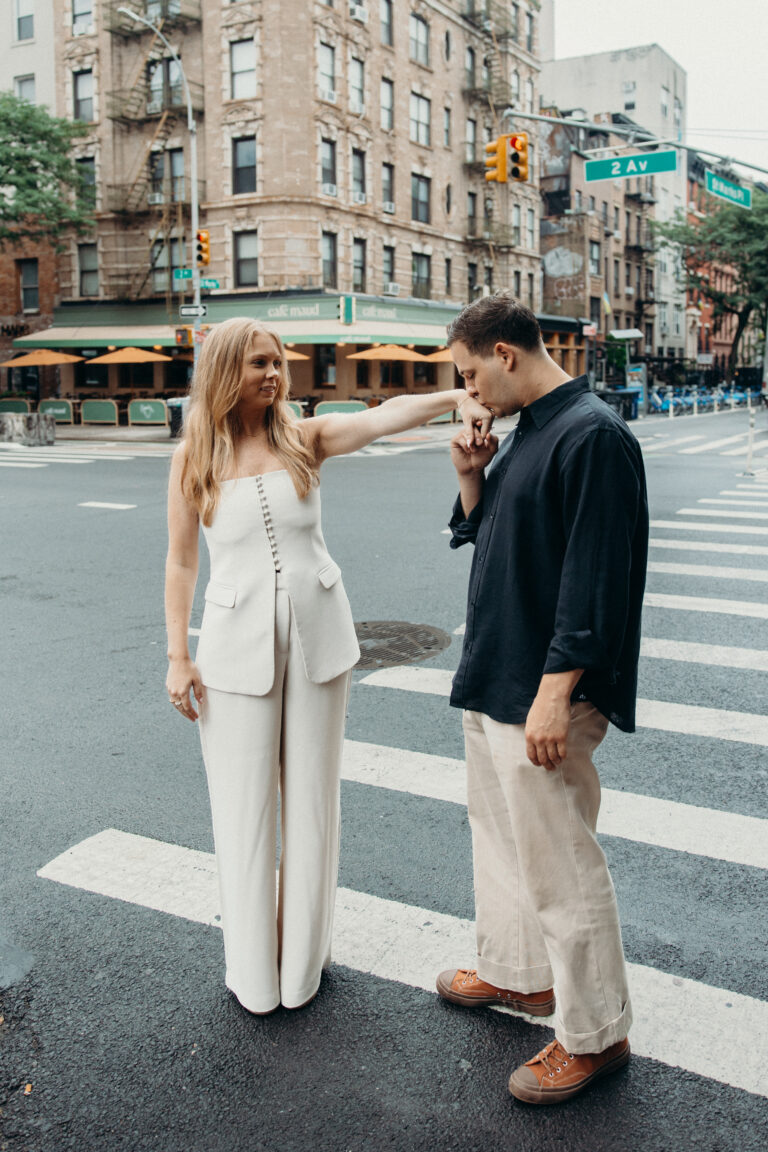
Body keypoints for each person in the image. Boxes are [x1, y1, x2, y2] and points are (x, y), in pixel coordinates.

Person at [165, 316, 493, 1015]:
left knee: (314, 803)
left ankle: (303, 967)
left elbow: (383, 418)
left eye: (278, 361)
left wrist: (450, 398)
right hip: (229, 651)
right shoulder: (195, 454)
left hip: (319, 642)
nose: (274, 373)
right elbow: (181, 560)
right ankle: (254, 974)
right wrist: (177, 655)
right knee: (242, 810)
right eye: (258, 362)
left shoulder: (304, 437)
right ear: (226, 369)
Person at [436, 292, 648, 1105]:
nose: (469, 393)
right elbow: (497, 538)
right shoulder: (527, 428)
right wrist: (470, 476)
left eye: (470, 374)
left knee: (561, 863)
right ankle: (520, 974)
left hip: (541, 687)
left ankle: (597, 1034)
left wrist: (558, 693)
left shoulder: (592, 434)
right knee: (501, 842)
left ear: (507, 355)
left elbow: (596, 578)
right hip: (498, 671)